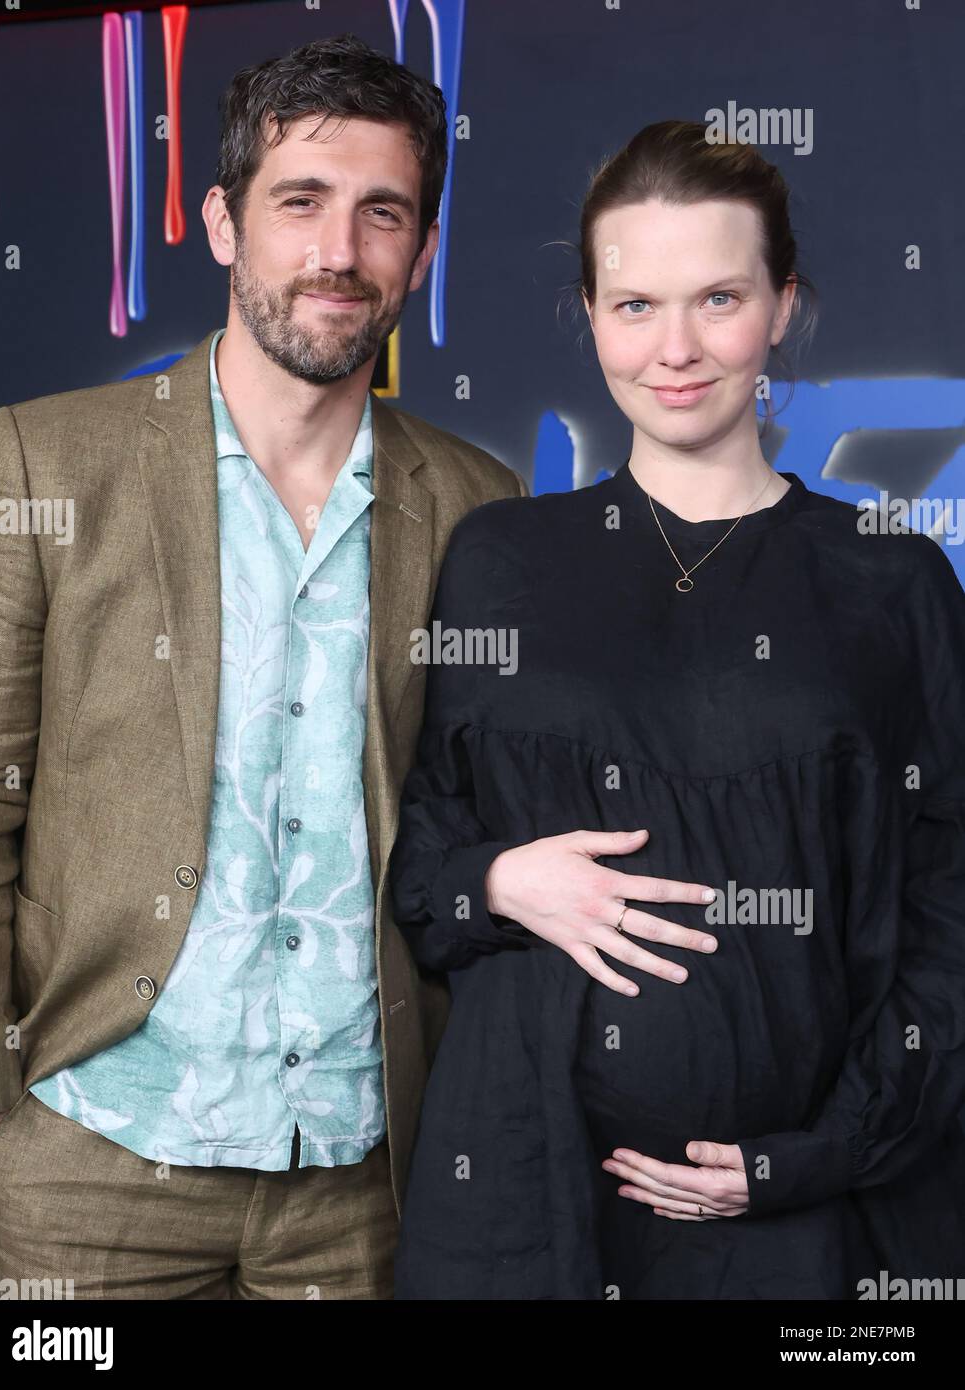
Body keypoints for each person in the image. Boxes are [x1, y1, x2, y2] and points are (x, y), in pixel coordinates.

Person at [0, 36, 708, 1300]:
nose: (337, 252)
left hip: (364, 1183)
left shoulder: (477, 505)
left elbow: (471, 822)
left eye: (382, 214)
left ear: (421, 251)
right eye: (297, 202)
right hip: (90, 1160)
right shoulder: (44, 463)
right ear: (218, 221)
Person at [387, 120, 965, 1300]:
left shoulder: (889, 578)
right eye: (635, 304)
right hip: (522, 1199)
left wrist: (810, 1156)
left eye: (718, 297)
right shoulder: (496, 558)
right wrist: (498, 882)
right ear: (589, 315)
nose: (676, 347)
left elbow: (949, 914)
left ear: (783, 305)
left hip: (802, 1224)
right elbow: (417, 866)